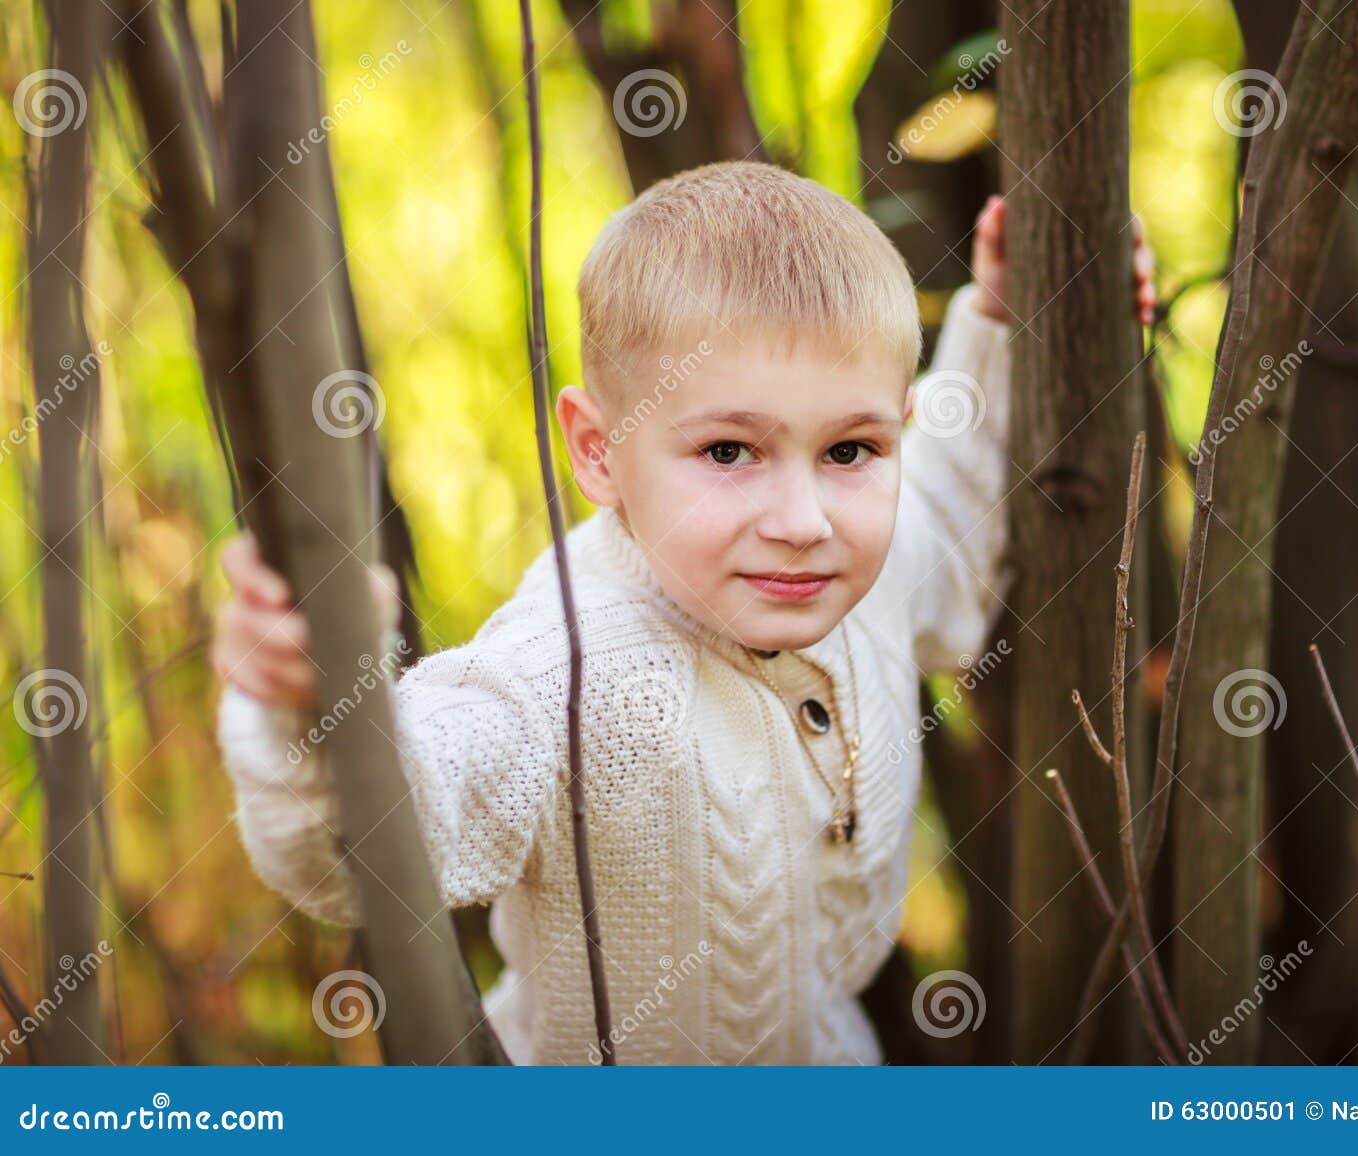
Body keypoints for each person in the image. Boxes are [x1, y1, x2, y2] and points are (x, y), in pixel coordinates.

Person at [212, 161, 1155, 1064]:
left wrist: (1006, 319)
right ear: (597, 450)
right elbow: (369, 848)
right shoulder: (573, 667)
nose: (802, 523)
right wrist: (308, 700)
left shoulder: (867, 570)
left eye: (850, 450)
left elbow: (952, 516)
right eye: (730, 453)